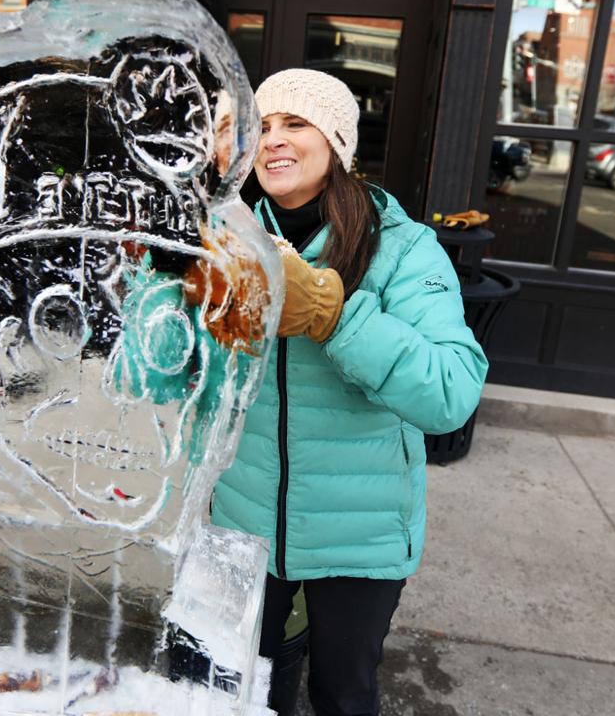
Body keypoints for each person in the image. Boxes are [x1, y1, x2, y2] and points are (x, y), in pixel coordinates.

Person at [207, 69, 488, 715]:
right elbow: (176, 384)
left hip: (358, 535)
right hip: (245, 520)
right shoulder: (228, 241)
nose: (274, 141)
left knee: (343, 692)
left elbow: (451, 392)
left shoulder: (404, 249)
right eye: (263, 128)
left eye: (295, 123)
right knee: (243, 683)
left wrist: (334, 317)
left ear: (337, 142)